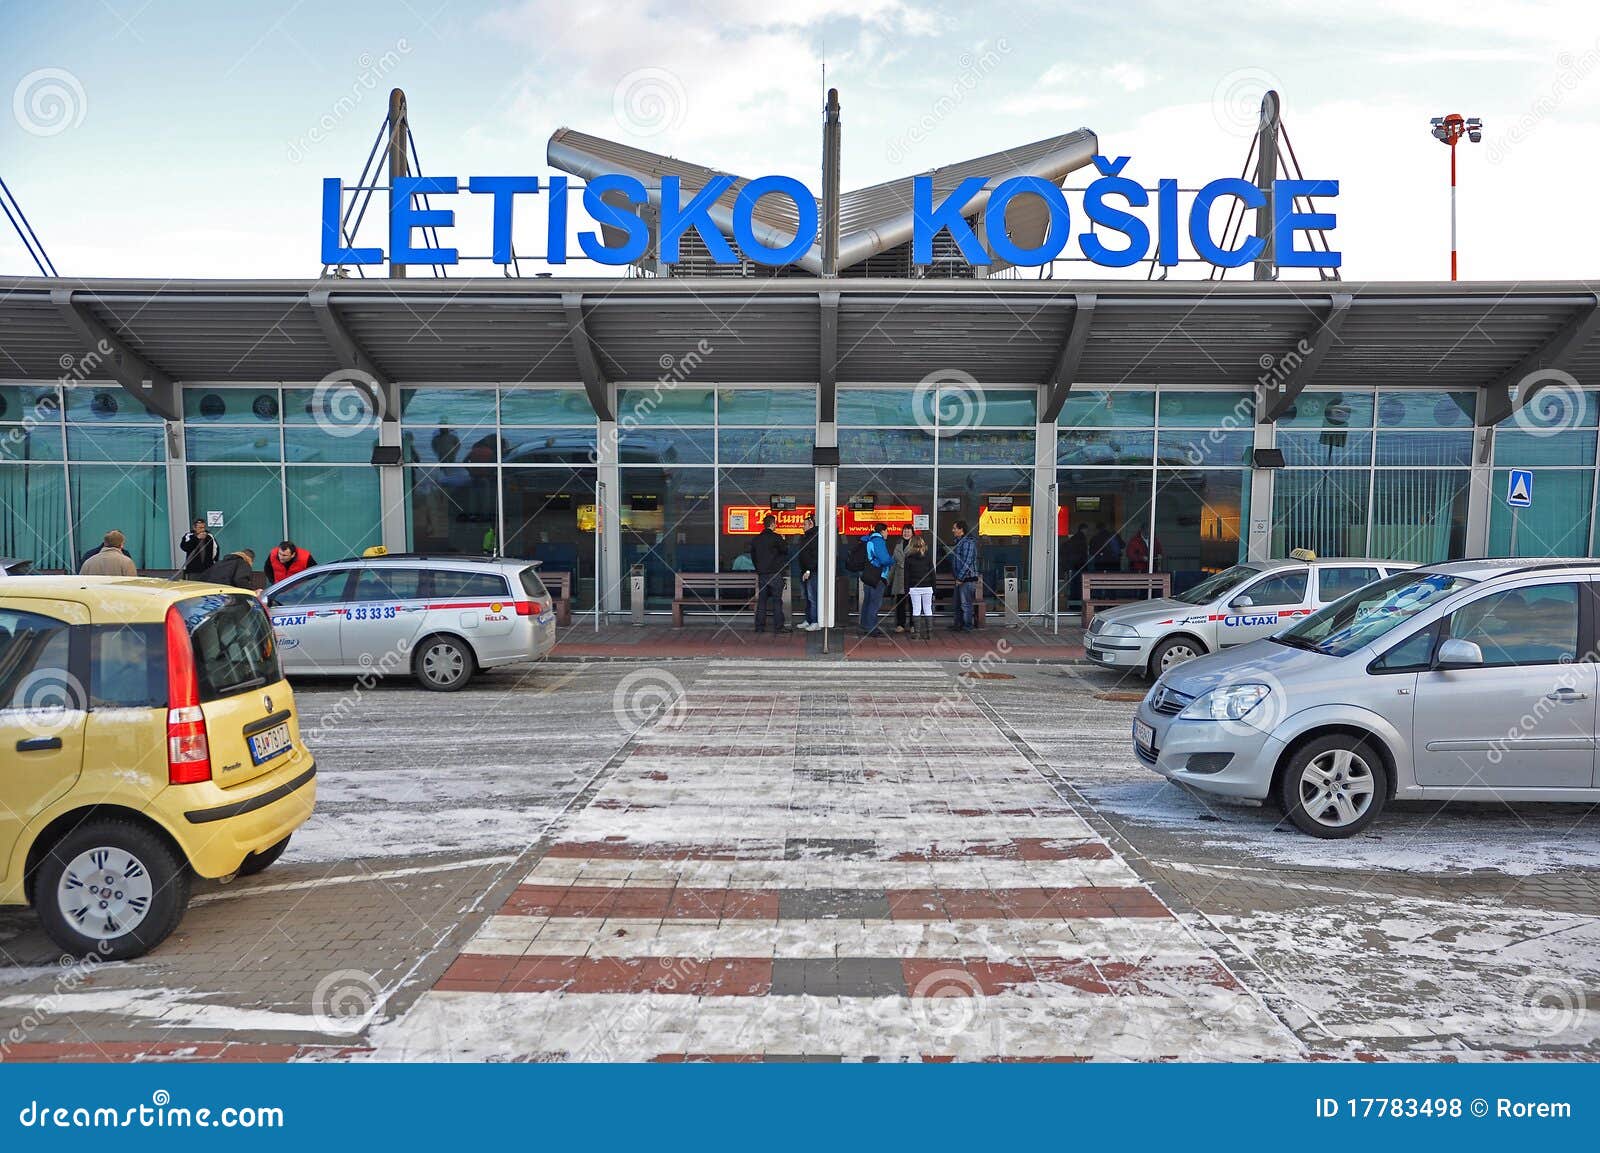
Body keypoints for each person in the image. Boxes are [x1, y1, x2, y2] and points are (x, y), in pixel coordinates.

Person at [750, 514, 790, 634]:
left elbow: (753, 557)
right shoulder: (776, 538)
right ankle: (778, 627)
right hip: (774, 574)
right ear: (772, 524)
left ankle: (759, 627)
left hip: (762, 574)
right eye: (775, 523)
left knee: (762, 601)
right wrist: (783, 540)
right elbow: (785, 551)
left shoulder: (756, 539)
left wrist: (759, 568)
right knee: (777, 601)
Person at [858, 522, 894, 637]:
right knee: (875, 603)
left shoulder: (868, 539)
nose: (887, 533)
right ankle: (871, 628)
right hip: (877, 576)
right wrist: (893, 561)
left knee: (867, 602)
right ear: (882, 531)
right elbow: (884, 560)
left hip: (868, 575)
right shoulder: (878, 541)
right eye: (887, 531)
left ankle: (864, 625)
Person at [948, 519, 979, 632]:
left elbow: (967, 562)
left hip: (967, 578)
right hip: (960, 578)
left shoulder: (968, 543)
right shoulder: (959, 542)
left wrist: (960, 578)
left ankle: (967, 626)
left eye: (955, 528)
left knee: (965, 604)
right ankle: (958, 625)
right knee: (957, 603)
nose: (953, 530)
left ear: (961, 530)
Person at [904, 535, 935, 640]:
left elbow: (906, 576)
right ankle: (929, 633)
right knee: (928, 609)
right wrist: (934, 588)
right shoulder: (927, 556)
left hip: (914, 587)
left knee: (916, 609)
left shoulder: (908, 558)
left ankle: (917, 633)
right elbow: (932, 573)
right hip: (927, 586)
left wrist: (906, 589)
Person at [795, 513, 820, 631]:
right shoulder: (806, 536)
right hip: (805, 571)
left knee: (812, 597)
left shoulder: (814, 537)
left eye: (804, 524)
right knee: (807, 597)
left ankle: (815, 621)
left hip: (812, 571)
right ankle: (809, 619)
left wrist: (809, 570)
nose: (802, 526)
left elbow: (815, 556)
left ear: (811, 524)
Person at [889, 525, 914, 633]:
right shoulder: (898, 545)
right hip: (899, 578)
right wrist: (888, 578)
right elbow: (893, 563)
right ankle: (900, 624)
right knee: (900, 602)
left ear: (912, 533)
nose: (906, 533)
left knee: (914, 603)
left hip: (912, 577)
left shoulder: (916, 545)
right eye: (904, 531)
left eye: (908, 531)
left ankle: (913, 625)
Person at [1064, 522, 1089, 606]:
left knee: (1074, 583)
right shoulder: (1082, 538)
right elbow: (1083, 552)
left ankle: (1073, 601)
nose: (1087, 532)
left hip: (1074, 563)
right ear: (1084, 529)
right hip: (1080, 563)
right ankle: (1077, 602)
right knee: (1078, 583)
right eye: (1086, 530)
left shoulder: (1074, 538)